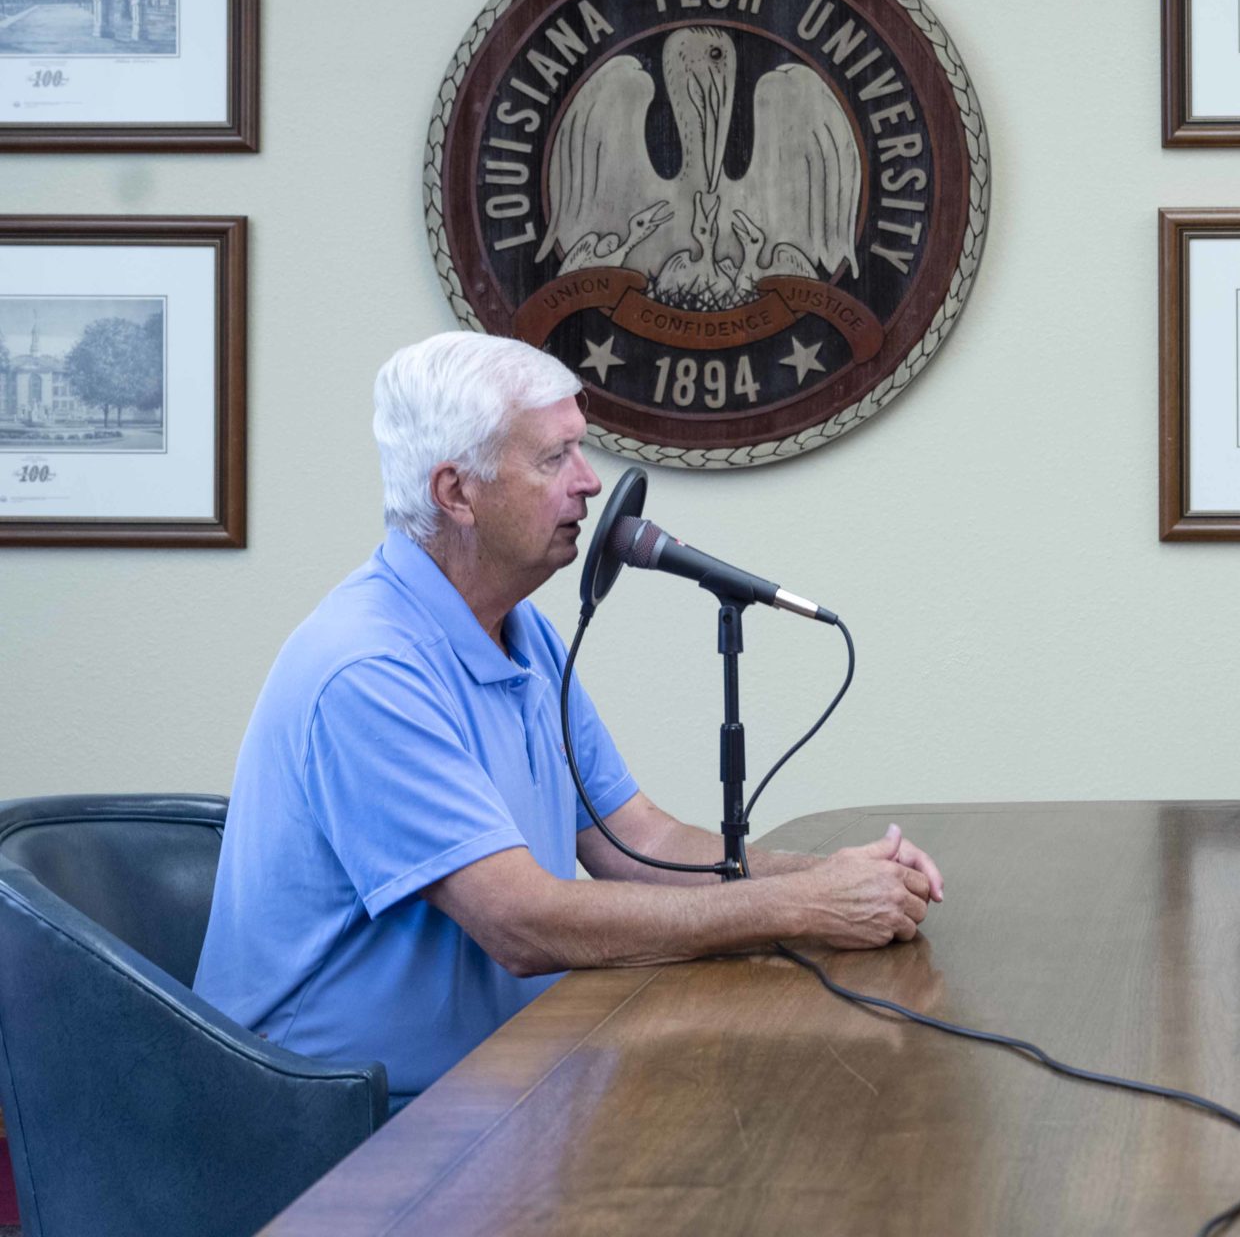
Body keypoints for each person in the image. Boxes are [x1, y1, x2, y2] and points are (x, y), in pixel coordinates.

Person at [194, 332, 944, 1105]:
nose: (590, 483)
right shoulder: (367, 670)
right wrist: (802, 908)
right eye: (555, 458)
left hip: (508, 1079)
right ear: (456, 492)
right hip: (344, 1127)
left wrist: (837, 878)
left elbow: (640, 843)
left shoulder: (523, 633)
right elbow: (523, 925)